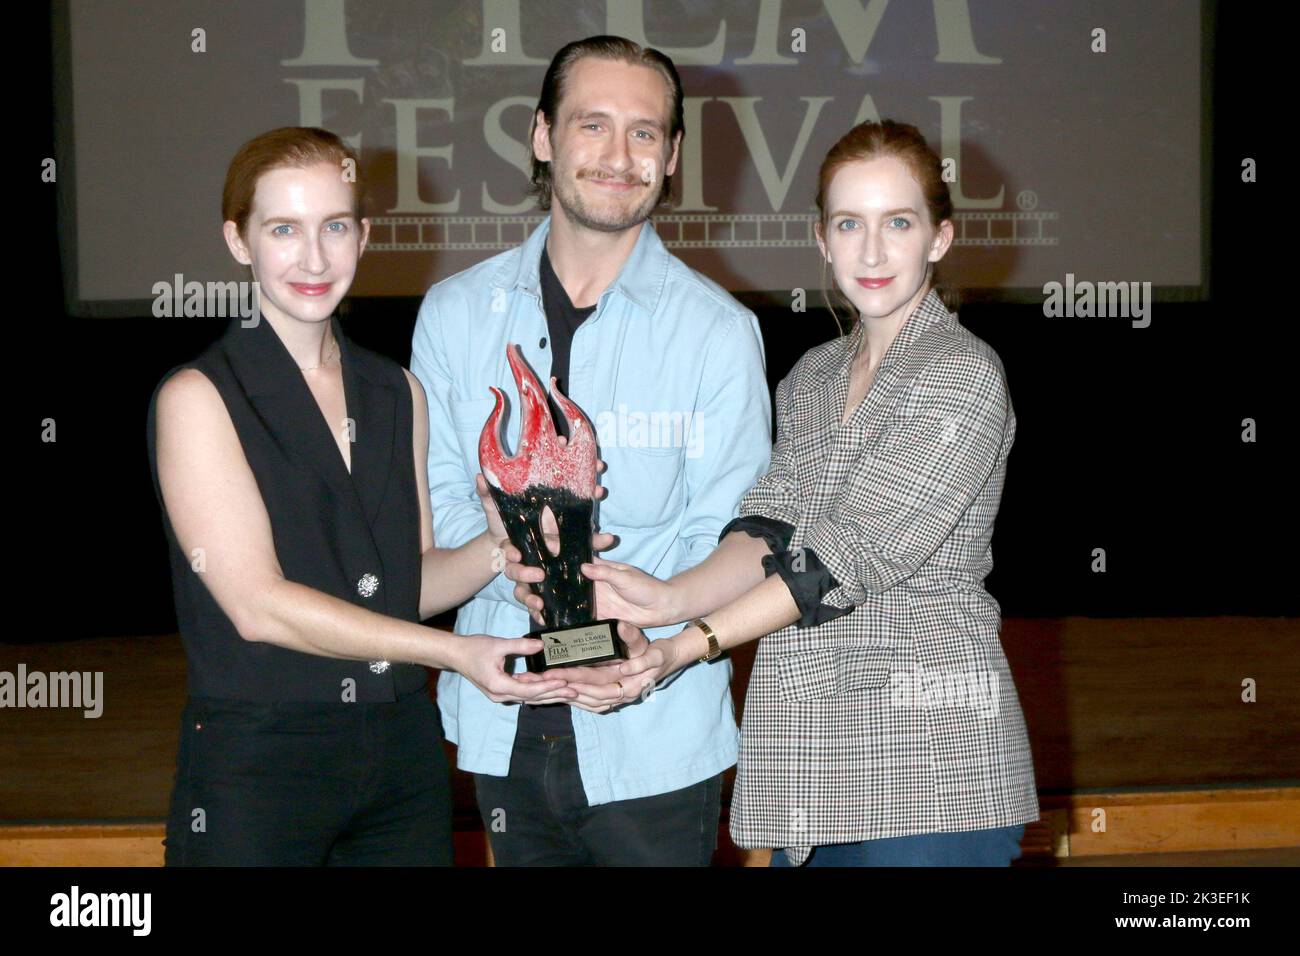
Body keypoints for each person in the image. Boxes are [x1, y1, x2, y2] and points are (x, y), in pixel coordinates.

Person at [509, 120, 1040, 866]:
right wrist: (663, 600)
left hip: (929, 762)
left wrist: (682, 650)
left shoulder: (960, 372)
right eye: (850, 224)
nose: (873, 250)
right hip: (818, 767)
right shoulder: (814, 377)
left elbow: (843, 557)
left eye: (899, 223)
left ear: (940, 238)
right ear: (822, 239)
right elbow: (769, 528)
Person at [146, 127, 574, 866]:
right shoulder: (200, 396)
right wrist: (452, 652)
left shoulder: (395, 390)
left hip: (402, 758)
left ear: (364, 235)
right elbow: (257, 604)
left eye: (334, 227)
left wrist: (503, 547)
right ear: (238, 240)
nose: (313, 258)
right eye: (284, 229)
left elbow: (407, 583)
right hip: (261, 762)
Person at [411, 36, 772, 866]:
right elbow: (437, 514)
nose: (618, 156)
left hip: (654, 729)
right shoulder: (454, 315)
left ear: (672, 154)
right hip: (503, 717)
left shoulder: (719, 333)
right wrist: (502, 555)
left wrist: (652, 629)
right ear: (543, 136)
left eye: (645, 133)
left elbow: (735, 533)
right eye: (593, 125)